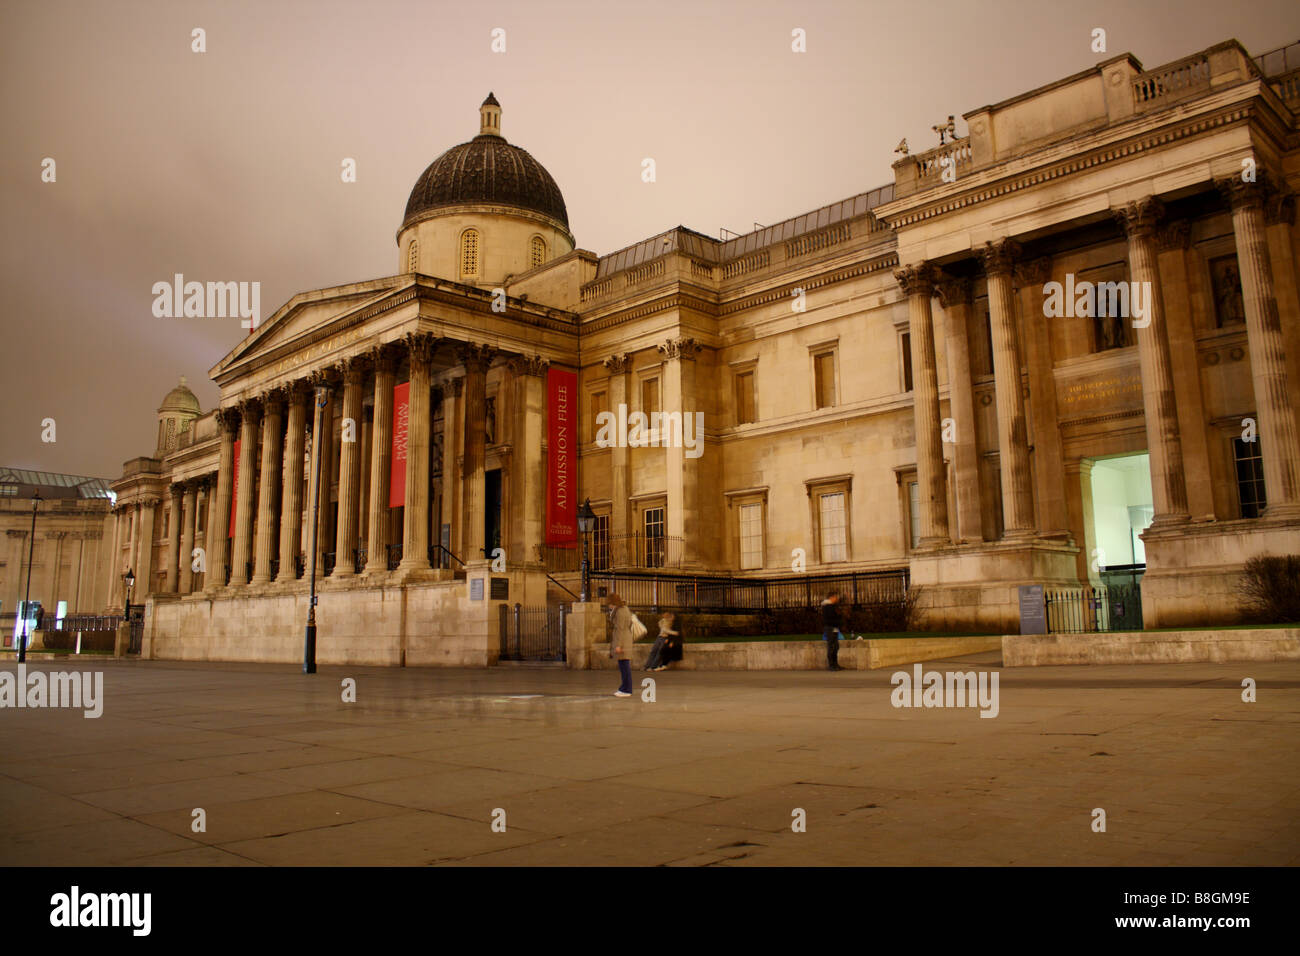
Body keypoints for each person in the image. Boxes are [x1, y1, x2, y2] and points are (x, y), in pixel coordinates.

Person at [608, 594, 634, 697]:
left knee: (624, 666)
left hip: (623, 641)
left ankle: (627, 689)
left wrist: (618, 645)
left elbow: (620, 628)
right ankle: (625, 688)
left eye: (609, 603)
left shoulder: (620, 612)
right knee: (624, 665)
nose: (608, 606)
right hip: (625, 639)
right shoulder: (624, 609)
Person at [821, 591, 844, 670]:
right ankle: (831, 665)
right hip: (830, 628)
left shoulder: (832, 606)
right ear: (831, 597)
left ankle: (835, 664)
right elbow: (830, 617)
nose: (836, 599)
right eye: (835, 597)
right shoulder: (827, 606)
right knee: (831, 646)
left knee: (836, 646)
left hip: (834, 627)